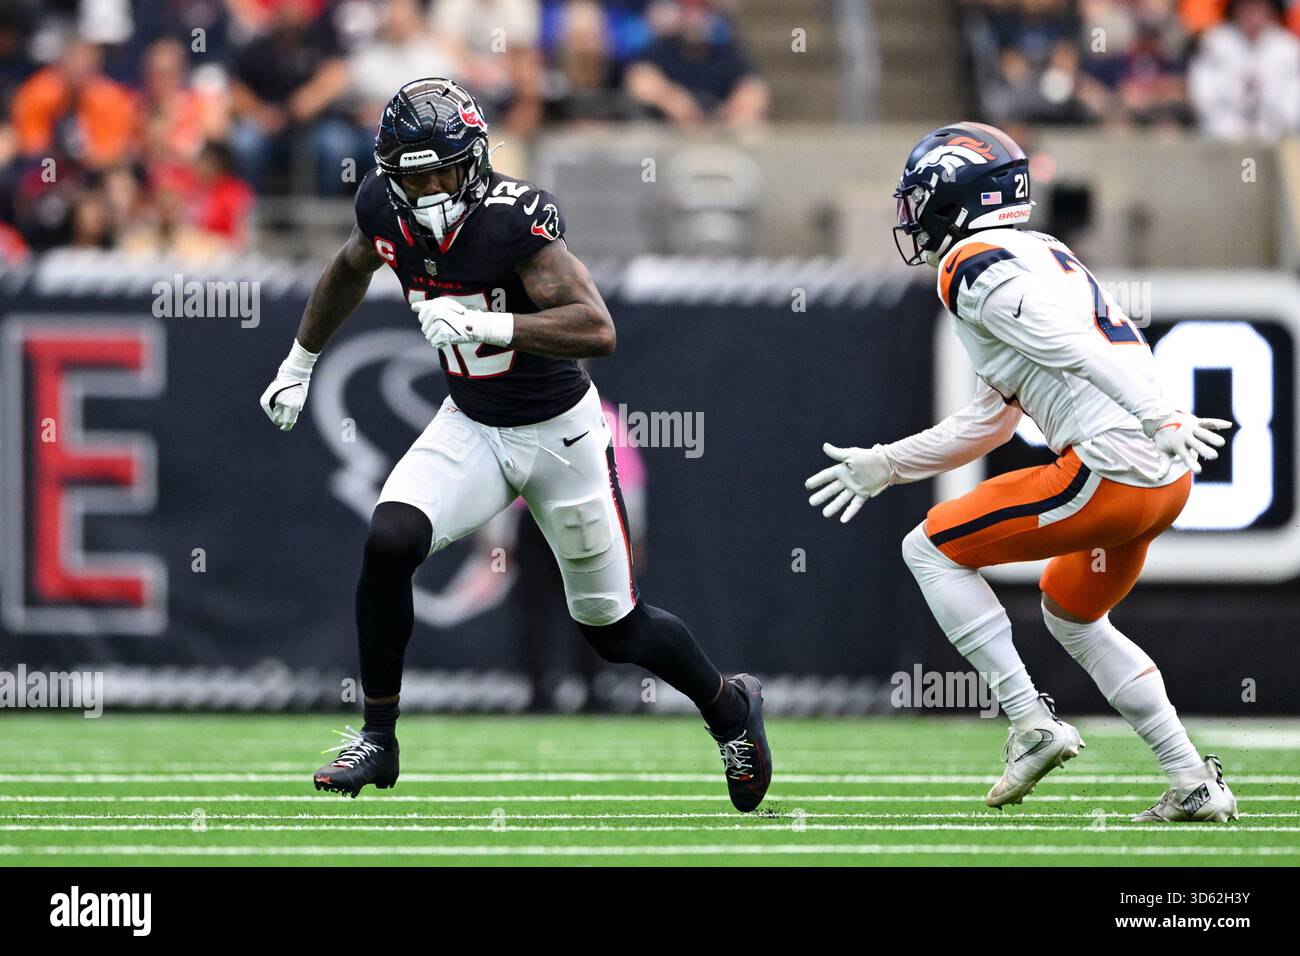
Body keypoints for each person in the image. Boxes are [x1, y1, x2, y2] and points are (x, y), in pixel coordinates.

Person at [259, 78, 771, 812]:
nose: (431, 189)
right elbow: (348, 266)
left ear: (472, 162)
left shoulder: (513, 220)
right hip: (471, 423)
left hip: (560, 434)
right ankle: (379, 736)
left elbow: (598, 329)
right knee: (389, 538)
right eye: (415, 174)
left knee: (614, 628)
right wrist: (298, 363)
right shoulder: (381, 207)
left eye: (443, 170)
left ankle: (728, 705)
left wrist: (491, 326)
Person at [805, 121, 1237, 823]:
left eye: (921, 196)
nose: (912, 213)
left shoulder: (972, 266)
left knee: (929, 550)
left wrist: (1160, 415)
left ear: (957, 194)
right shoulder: (1037, 250)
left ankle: (1030, 722)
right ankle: (1193, 781)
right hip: (1162, 480)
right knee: (1073, 614)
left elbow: (1071, 349)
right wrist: (886, 465)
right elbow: (990, 421)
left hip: (1111, 467)